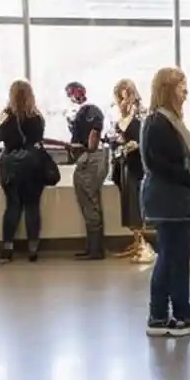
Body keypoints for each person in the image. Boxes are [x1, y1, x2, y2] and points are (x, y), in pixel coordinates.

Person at [141, 67, 190, 338]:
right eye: (182, 88)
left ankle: (162, 315)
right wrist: (187, 179)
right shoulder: (159, 123)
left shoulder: (165, 120)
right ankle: (177, 316)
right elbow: (159, 163)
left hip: (176, 200)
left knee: (171, 258)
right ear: (169, 89)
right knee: (174, 259)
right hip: (170, 202)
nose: (186, 94)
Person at [0, 80, 67, 264]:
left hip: (10, 165)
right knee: (32, 206)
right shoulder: (37, 116)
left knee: (12, 206)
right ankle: (33, 249)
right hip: (33, 163)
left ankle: (7, 249)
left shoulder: (6, 116)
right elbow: (38, 138)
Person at [111, 78, 152, 263]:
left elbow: (147, 139)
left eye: (126, 96)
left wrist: (136, 145)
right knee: (129, 204)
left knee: (137, 204)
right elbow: (115, 139)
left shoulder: (142, 115)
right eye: (120, 97)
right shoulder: (120, 117)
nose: (123, 101)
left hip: (139, 166)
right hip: (124, 166)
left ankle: (144, 245)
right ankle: (137, 242)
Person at [66, 81, 108, 260]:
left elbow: (93, 138)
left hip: (89, 160)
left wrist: (85, 148)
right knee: (88, 202)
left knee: (90, 202)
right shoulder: (83, 111)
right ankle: (92, 247)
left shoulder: (89, 110)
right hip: (87, 158)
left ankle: (96, 249)